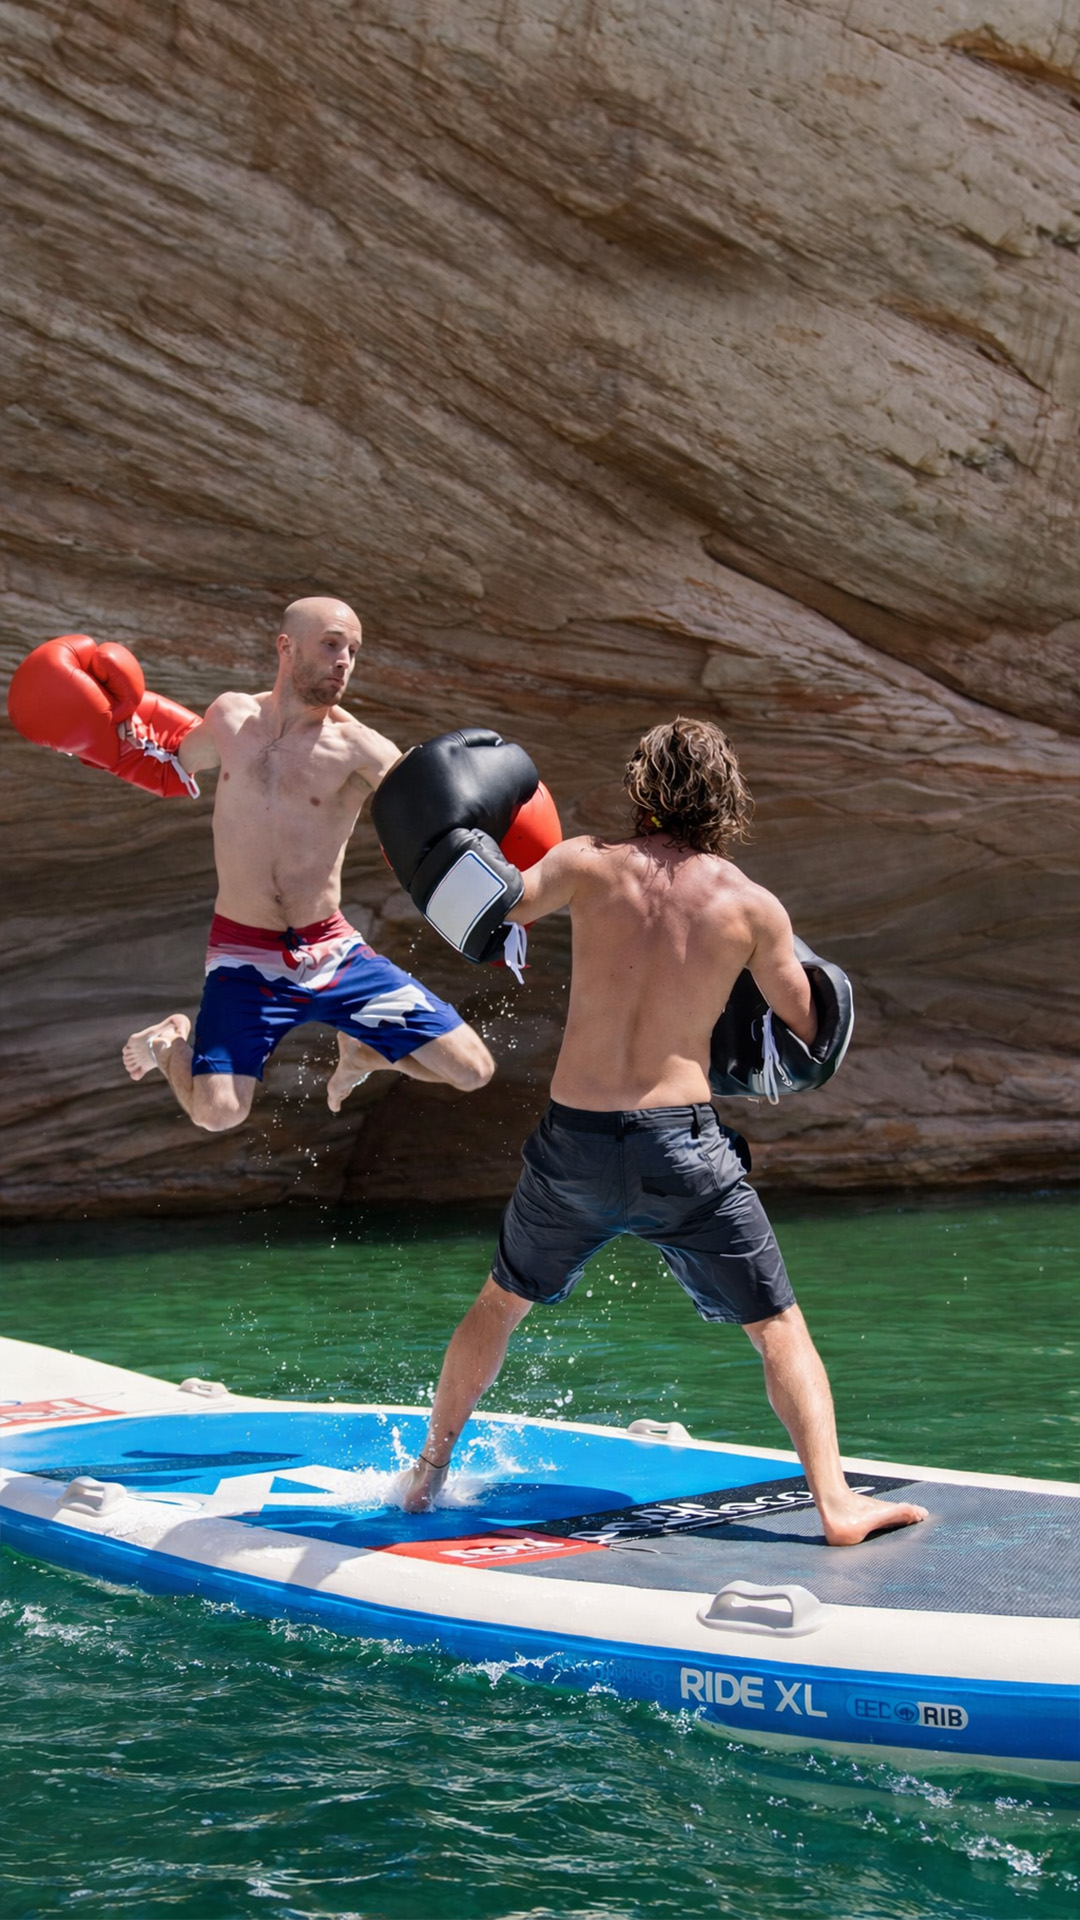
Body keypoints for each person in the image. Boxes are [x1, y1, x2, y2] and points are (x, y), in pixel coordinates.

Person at [398, 716, 928, 1547]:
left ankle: (427, 1475)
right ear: (726, 796)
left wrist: (446, 825)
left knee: (501, 1303)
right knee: (777, 1327)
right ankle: (835, 1506)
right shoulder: (751, 906)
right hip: (682, 1147)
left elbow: (490, 909)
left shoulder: (586, 863)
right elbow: (806, 1029)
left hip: (575, 1143)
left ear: (642, 787)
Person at [121, 596, 495, 1130]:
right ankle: (167, 1041)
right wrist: (111, 731)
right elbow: (170, 761)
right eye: (331, 645)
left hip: (333, 954)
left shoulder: (363, 749)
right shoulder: (229, 717)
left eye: (353, 651)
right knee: (218, 1114)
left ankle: (364, 1054)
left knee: (473, 1070)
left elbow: (438, 817)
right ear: (286, 647)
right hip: (243, 955)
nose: (344, 661)